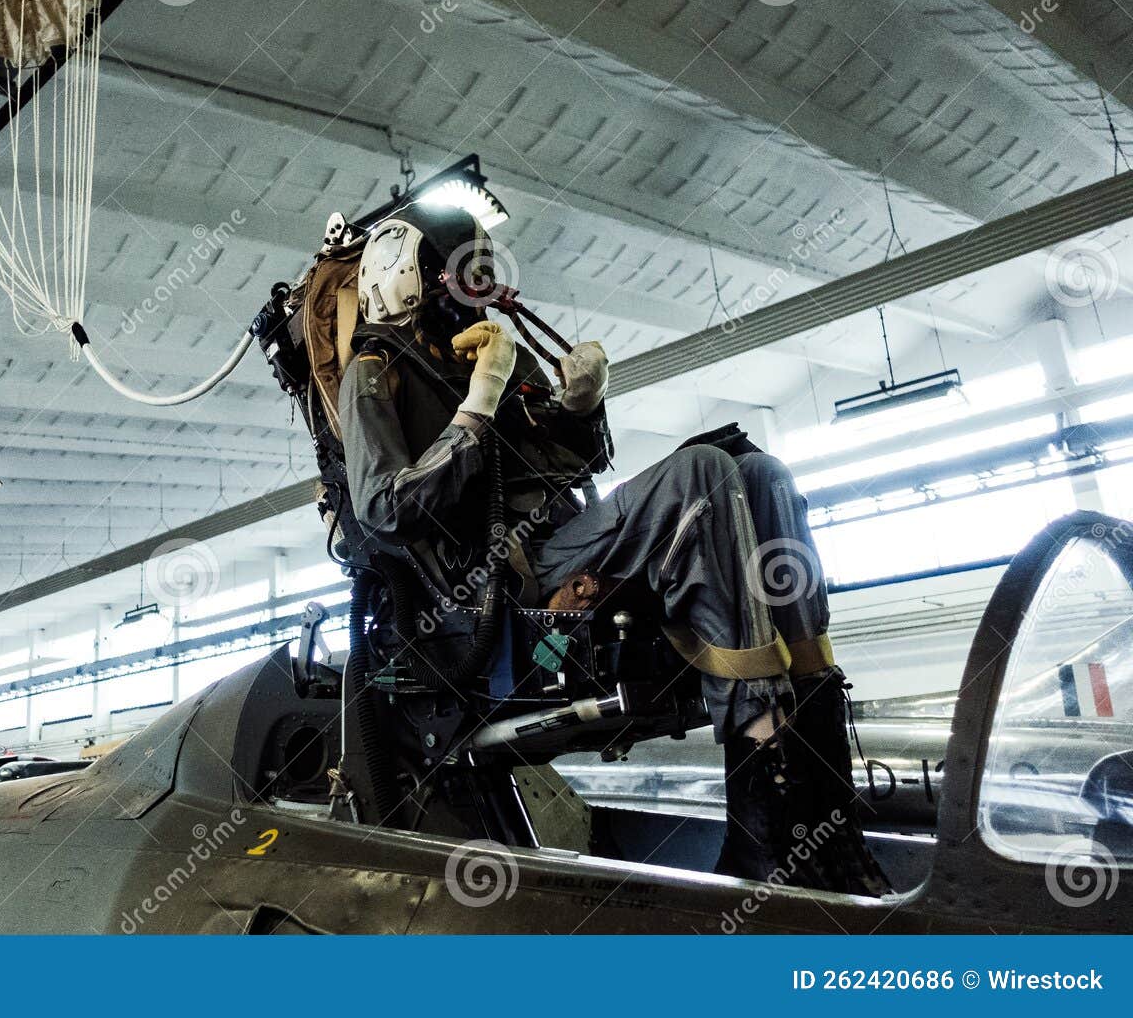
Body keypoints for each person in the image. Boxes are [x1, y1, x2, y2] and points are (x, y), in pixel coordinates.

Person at [337, 201, 891, 896]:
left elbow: (580, 462)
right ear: (409, 274)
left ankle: (829, 820)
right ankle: (763, 838)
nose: (474, 286)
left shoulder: (493, 347)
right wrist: (476, 408)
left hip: (568, 538)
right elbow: (386, 508)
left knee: (761, 475)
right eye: (456, 271)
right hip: (493, 581)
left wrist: (582, 404)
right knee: (702, 477)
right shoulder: (374, 372)